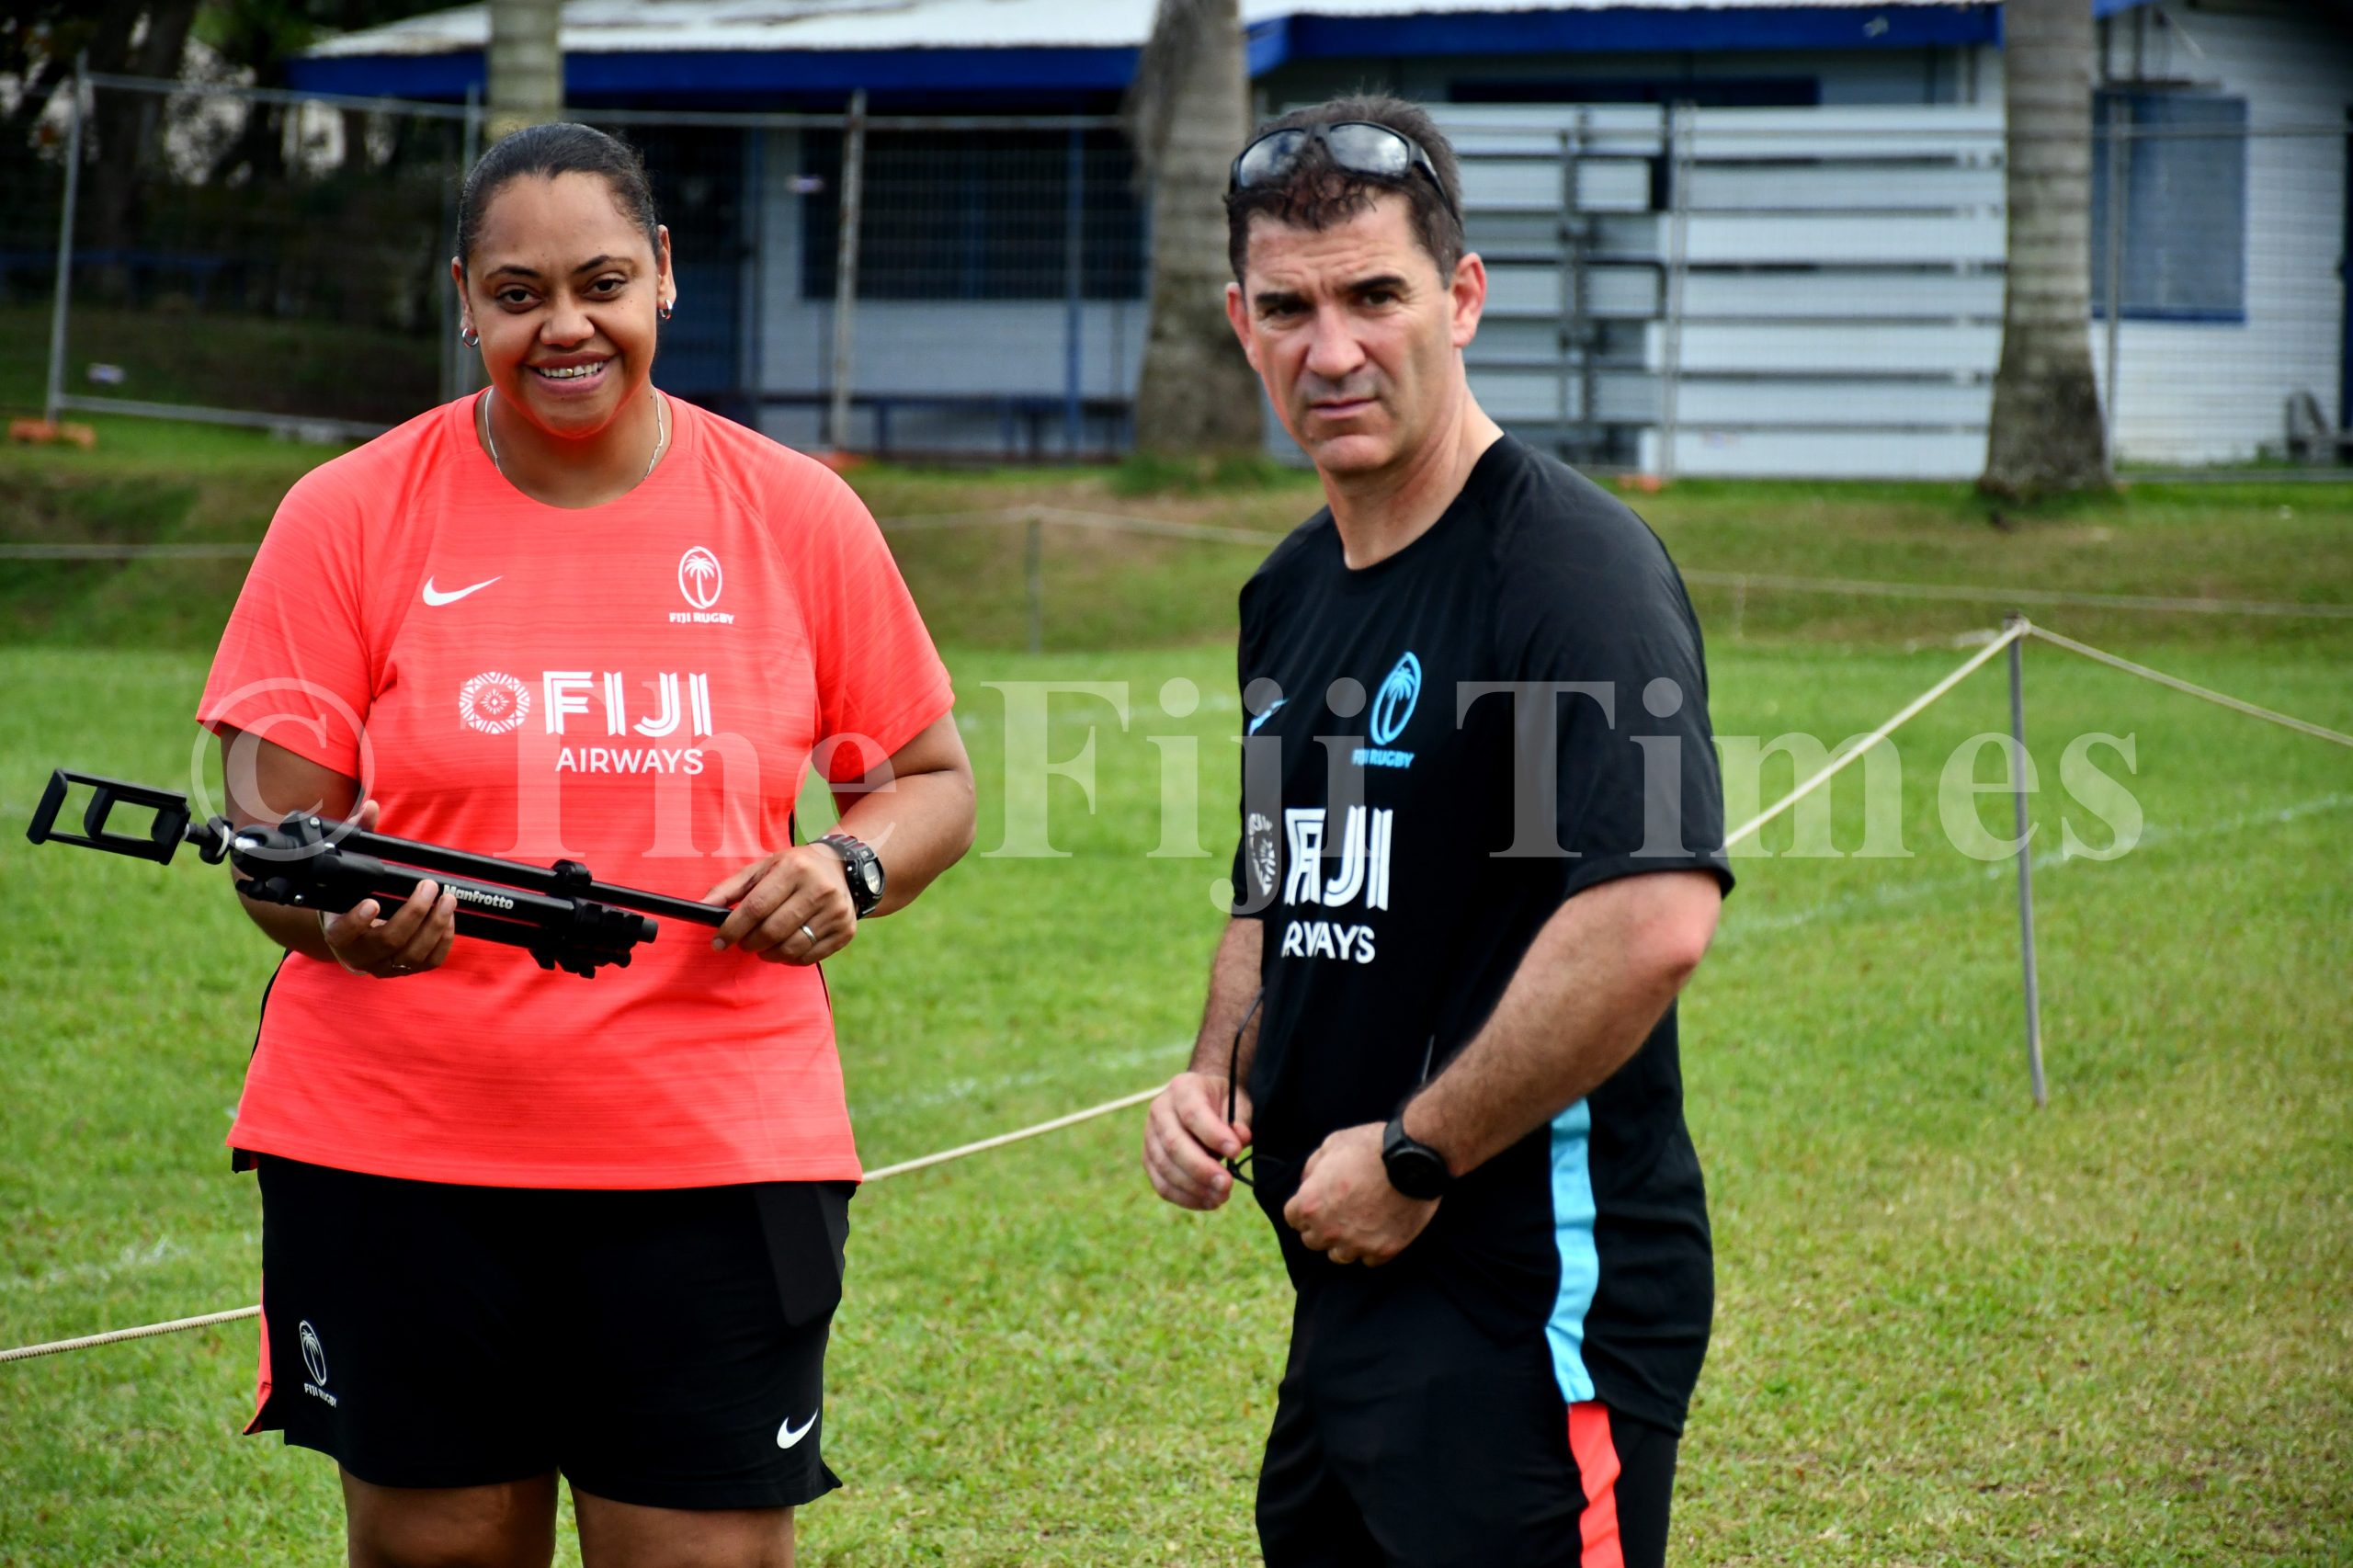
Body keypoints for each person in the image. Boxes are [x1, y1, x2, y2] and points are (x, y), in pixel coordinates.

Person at [197, 122, 974, 1568]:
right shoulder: (350, 515)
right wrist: (333, 918)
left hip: (714, 1149)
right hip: (397, 1146)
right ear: (466, 298)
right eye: (518, 292)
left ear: (665, 276)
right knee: (442, 1548)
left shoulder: (794, 513)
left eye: (602, 280)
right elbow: (266, 833)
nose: (565, 326)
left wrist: (846, 865)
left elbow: (929, 780)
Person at [1141, 97, 1733, 1568]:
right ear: (1239, 320)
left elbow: (1653, 918)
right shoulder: (1288, 590)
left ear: (1461, 298)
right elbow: (1275, 885)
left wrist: (1415, 1154)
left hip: (1529, 1306)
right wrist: (1213, 1076)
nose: (1329, 348)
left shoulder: (1572, 567)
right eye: (1288, 306)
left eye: (1374, 296)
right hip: (1345, 1294)